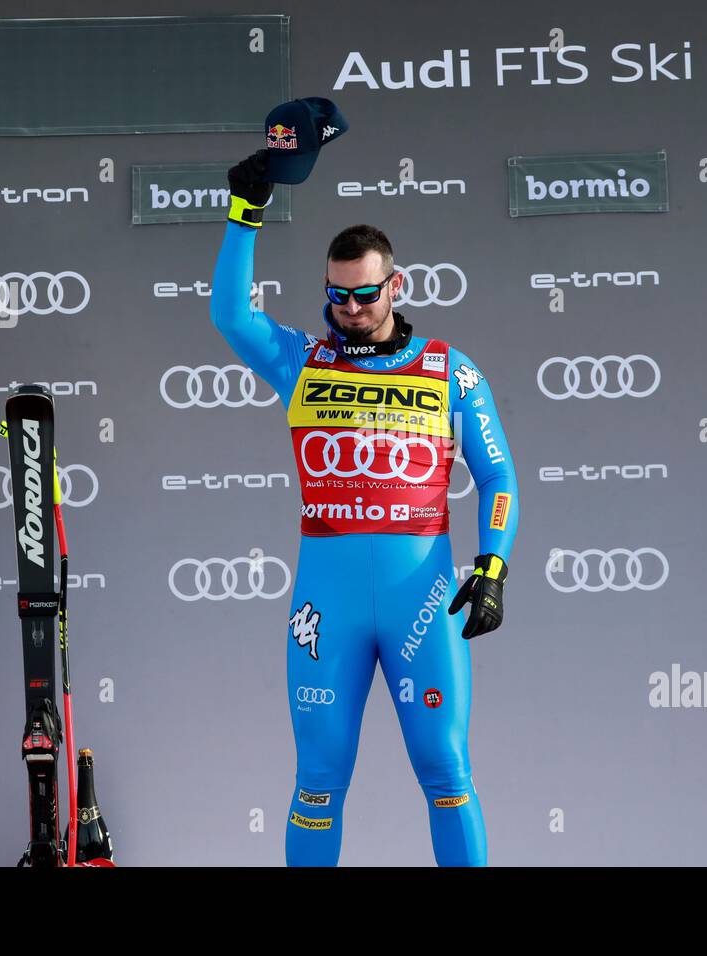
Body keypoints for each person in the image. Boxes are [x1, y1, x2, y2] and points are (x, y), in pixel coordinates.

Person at [209, 132, 518, 866]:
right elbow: (229, 314)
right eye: (336, 294)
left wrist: (494, 566)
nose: (348, 308)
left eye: (364, 294)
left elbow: (499, 475)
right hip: (328, 601)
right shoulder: (300, 361)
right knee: (317, 781)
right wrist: (244, 212)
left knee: (447, 774)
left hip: (426, 597)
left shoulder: (450, 370)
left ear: (396, 285)